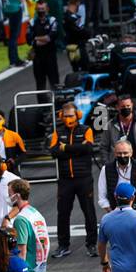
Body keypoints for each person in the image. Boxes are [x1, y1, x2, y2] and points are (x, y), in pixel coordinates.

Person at [48, 102, 98, 259]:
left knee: (89, 212)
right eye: (66, 115)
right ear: (61, 116)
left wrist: (66, 148)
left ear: (78, 115)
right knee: (62, 213)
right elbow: (54, 152)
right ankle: (63, 245)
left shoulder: (86, 130)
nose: (68, 118)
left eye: (71, 115)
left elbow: (88, 149)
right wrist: (77, 148)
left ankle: (92, 244)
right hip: (65, 180)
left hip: (84, 179)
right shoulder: (58, 132)